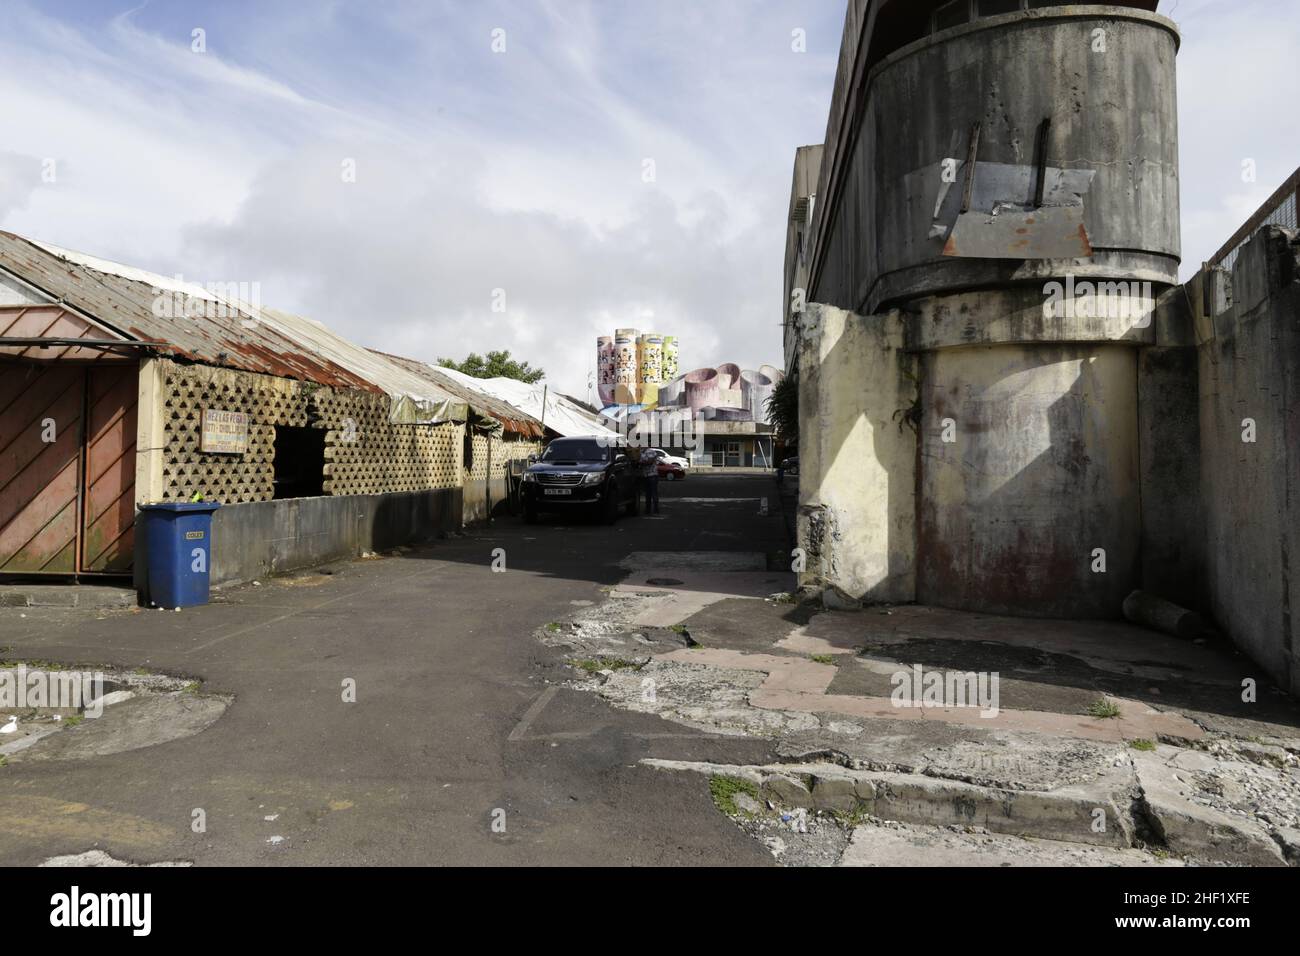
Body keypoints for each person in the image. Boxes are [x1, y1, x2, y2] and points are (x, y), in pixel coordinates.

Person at [638, 446, 662, 514]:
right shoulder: (641, 452)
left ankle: (656, 509)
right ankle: (648, 509)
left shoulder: (650, 451)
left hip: (652, 475)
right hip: (645, 475)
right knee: (647, 493)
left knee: (654, 492)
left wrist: (641, 463)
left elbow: (650, 461)